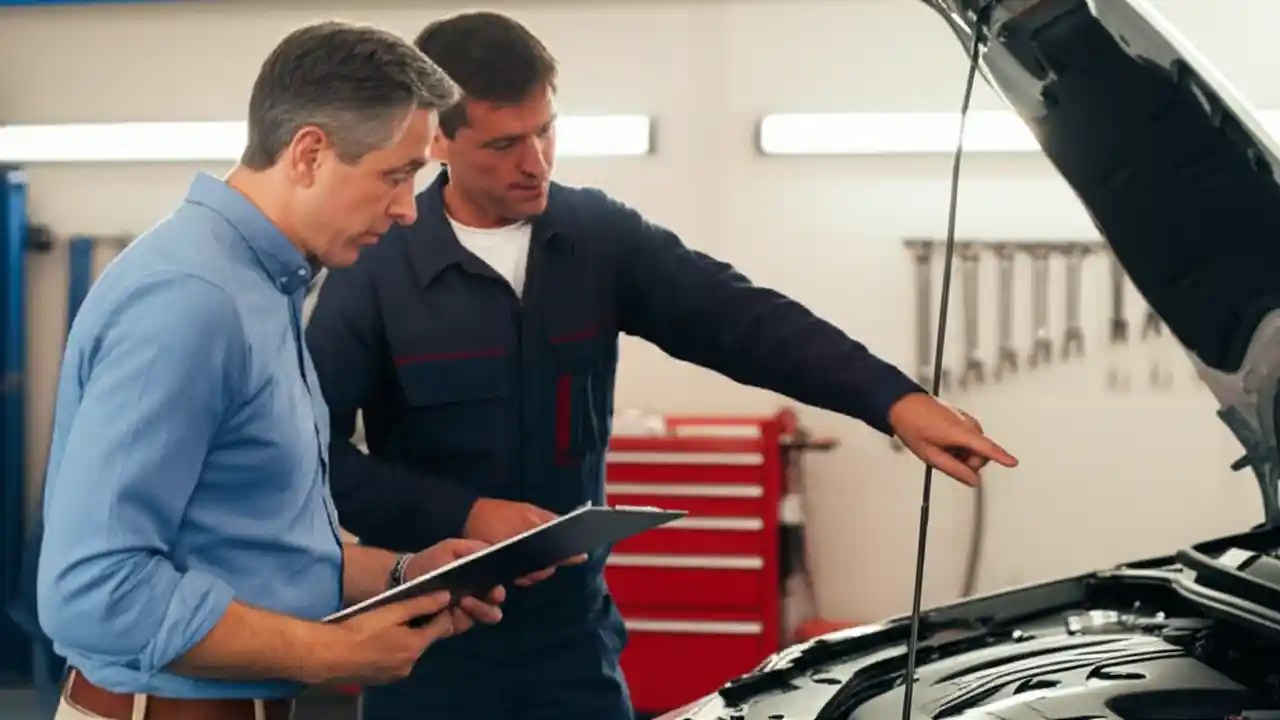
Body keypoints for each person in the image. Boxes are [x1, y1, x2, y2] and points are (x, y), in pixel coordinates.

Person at [304, 10, 1019, 720]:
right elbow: (312, 458)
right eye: (504, 143)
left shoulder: (596, 238)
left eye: (546, 130)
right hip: (428, 649)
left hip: (572, 650)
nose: (537, 162)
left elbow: (740, 319)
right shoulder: (377, 266)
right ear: (438, 140)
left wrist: (892, 400)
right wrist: (464, 515)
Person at [35, 20, 507, 720]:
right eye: (396, 174)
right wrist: (331, 652)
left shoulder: (264, 287)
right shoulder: (191, 300)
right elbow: (94, 590)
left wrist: (401, 573)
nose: (408, 209)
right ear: (309, 153)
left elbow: (253, 549)